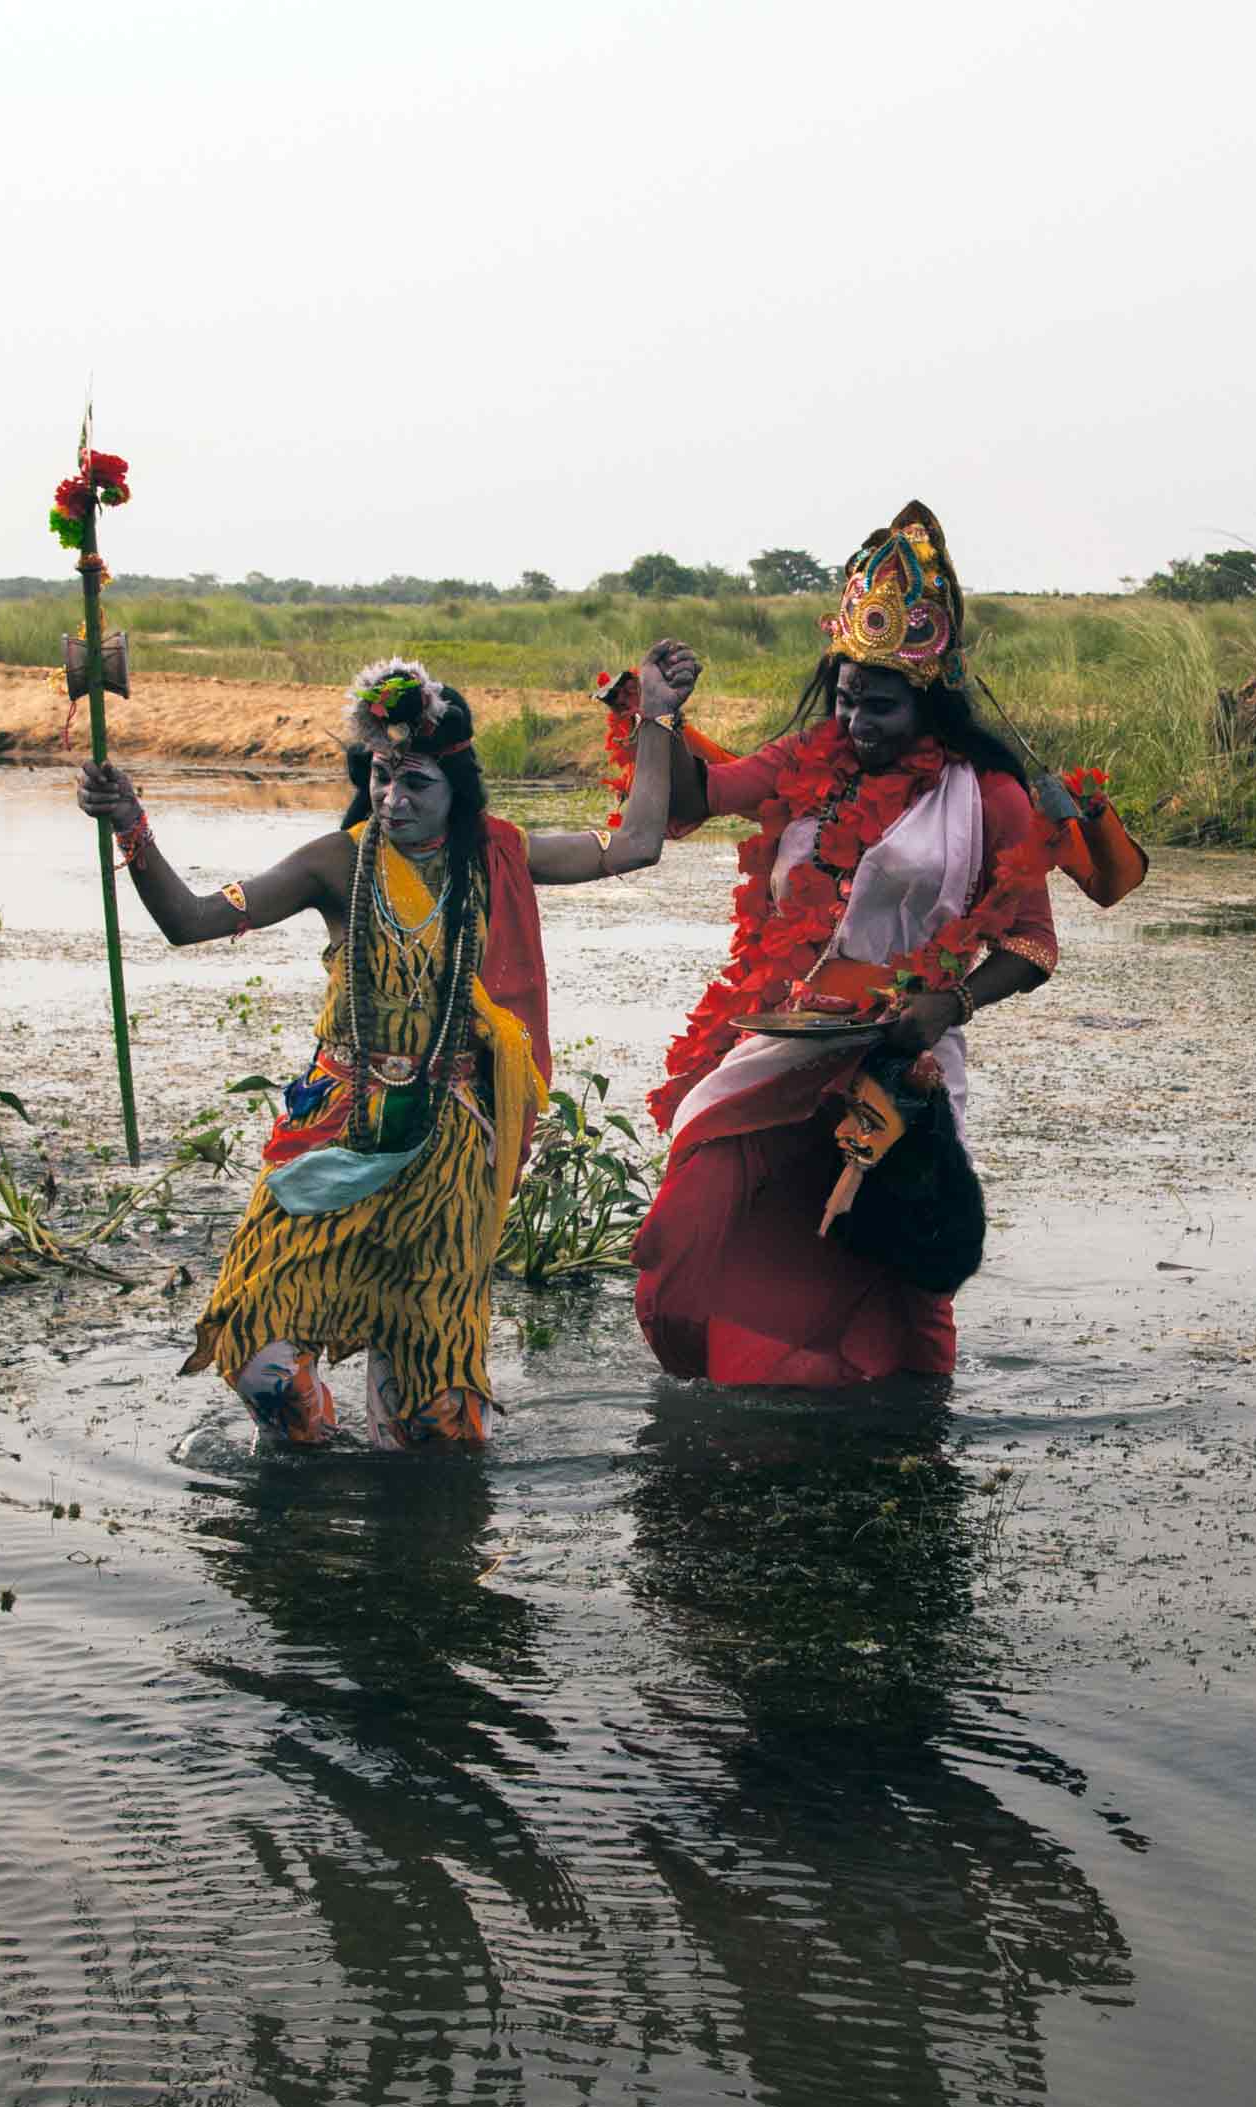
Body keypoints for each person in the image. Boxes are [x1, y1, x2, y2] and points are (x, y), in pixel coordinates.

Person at [78, 645, 700, 1446]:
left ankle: (407, 1527)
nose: (393, 798)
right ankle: (316, 1491)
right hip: (333, 1129)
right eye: (379, 776)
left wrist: (654, 718)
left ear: (458, 789)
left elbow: (636, 844)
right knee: (263, 1363)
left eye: (416, 783)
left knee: (431, 1426)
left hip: (446, 1155)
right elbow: (190, 921)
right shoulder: (336, 863)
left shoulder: (494, 856)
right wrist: (133, 827)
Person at [617, 503, 1059, 1386]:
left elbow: (1035, 946)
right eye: (849, 699)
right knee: (690, 1224)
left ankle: (911, 1423)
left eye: (883, 706)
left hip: (899, 1059)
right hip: (781, 1045)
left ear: (929, 700)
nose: (859, 722)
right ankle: (731, 1376)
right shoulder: (800, 761)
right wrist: (658, 716)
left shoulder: (990, 796)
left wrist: (951, 1003)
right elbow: (684, 804)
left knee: (898, 1257)